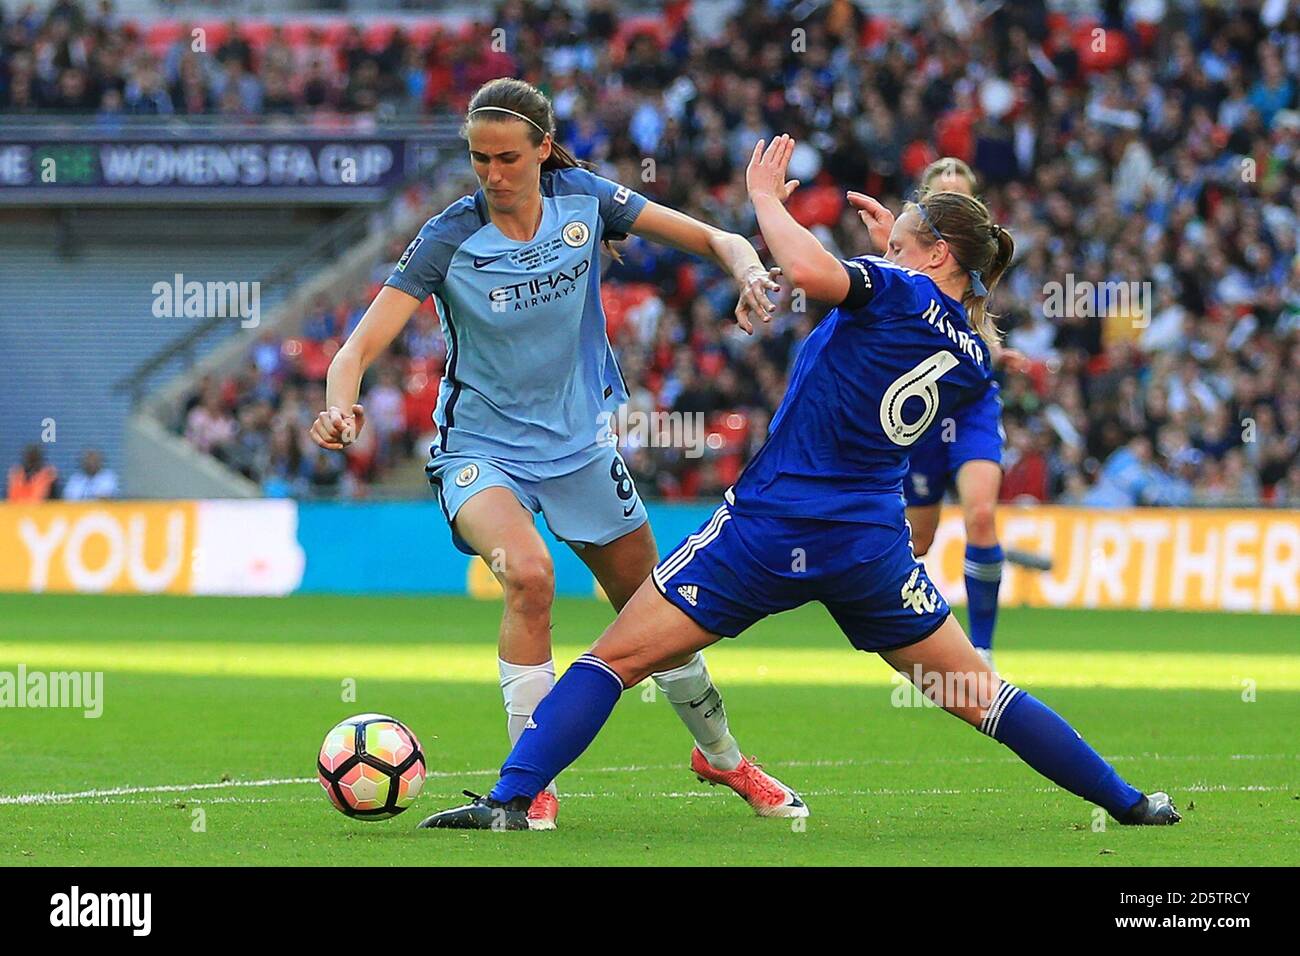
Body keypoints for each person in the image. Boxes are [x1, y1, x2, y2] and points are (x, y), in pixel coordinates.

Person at [416, 136, 1180, 831]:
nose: (889, 237)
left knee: (612, 661)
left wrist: (766, 202)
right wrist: (900, 247)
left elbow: (814, 274)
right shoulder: (974, 352)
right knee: (984, 697)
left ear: (935, 252)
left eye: (905, 230)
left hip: (774, 524)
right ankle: (1131, 803)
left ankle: (511, 800)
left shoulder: (897, 291)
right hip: (869, 545)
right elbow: (916, 307)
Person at [309, 78, 806, 830]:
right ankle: (529, 785)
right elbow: (356, 348)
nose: (492, 174)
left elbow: (718, 238)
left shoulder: (586, 199)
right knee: (529, 575)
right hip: (481, 450)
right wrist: (338, 405)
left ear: (543, 148)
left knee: (659, 618)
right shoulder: (449, 236)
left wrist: (746, 273)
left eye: (507, 157)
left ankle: (723, 757)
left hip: (578, 445)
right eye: (478, 159)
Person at [848, 157, 1049, 669]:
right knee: (919, 539)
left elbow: (973, 325)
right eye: (946, 190)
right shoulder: (908, 260)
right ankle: (904, 634)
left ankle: (981, 650)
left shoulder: (980, 259)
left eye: (965, 191)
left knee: (981, 513)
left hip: (971, 396)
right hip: (920, 403)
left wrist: (997, 354)